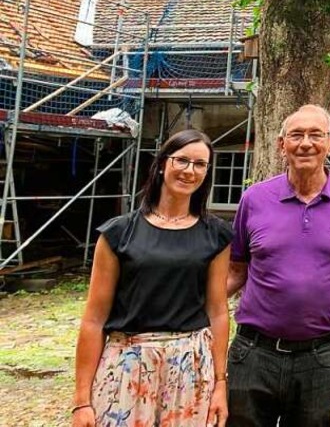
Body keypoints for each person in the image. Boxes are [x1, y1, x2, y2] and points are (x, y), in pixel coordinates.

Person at [71, 128, 232, 427]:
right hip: (126, 365)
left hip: (191, 368)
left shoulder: (216, 235)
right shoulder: (119, 233)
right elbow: (94, 319)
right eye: (181, 160)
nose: (190, 171)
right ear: (161, 164)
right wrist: (82, 401)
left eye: (200, 164)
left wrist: (220, 383)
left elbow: (218, 312)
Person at [227, 104, 330, 427]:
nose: (306, 143)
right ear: (282, 145)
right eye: (296, 135)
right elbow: (236, 271)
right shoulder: (254, 199)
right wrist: (196, 310)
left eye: (315, 135)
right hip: (254, 353)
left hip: (318, 357)